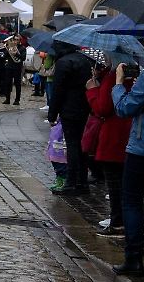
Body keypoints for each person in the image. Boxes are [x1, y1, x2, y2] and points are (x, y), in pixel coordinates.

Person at [89, 60, 130, 237]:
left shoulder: (115, 76)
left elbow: (102, 107)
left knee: (115, 183)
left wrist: (92, 90)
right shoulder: (132, 73)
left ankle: (118, 222)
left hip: (114, 135)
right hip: (129, 135)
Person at [49, 40, 95, 196]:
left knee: (72, 145)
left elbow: (58, 90)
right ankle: (82, 182)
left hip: (69, 108)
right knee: (81, 146)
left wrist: (52, 114)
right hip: (83, 107)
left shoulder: (63, 62)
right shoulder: (84, 60)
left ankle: (71, 183)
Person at [113, 63, 144, 275]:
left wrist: (118, 85)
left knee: (132, 202)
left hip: (141, 150)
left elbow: (125, 108)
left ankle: (133, 259)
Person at [2, 37, 24, 106]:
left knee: (17, 84)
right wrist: (7, 49)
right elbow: (4, 57)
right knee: (8, 83)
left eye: (17, 40)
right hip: (9, 67)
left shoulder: (22, 48)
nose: (15, 41)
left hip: (17, 68)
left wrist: (16, 54)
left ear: (19, 41)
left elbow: (23, 58)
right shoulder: (9, 47)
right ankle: (7, 99)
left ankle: (17, 100)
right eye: (14, 40)